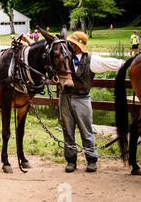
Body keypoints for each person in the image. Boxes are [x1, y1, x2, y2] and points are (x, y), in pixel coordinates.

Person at [22, 31, 124, 173]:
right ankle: (71, 160)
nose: (69, 45)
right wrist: (28, 40)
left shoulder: (91, 60)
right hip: (65, 98)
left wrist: (127, 64)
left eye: (72, 43)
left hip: (82, 98)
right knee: (67, 130)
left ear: (78, 46)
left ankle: (91, 160)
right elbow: (45, 51)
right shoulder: (65, 56)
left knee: (86, 130)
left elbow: (113, 63)